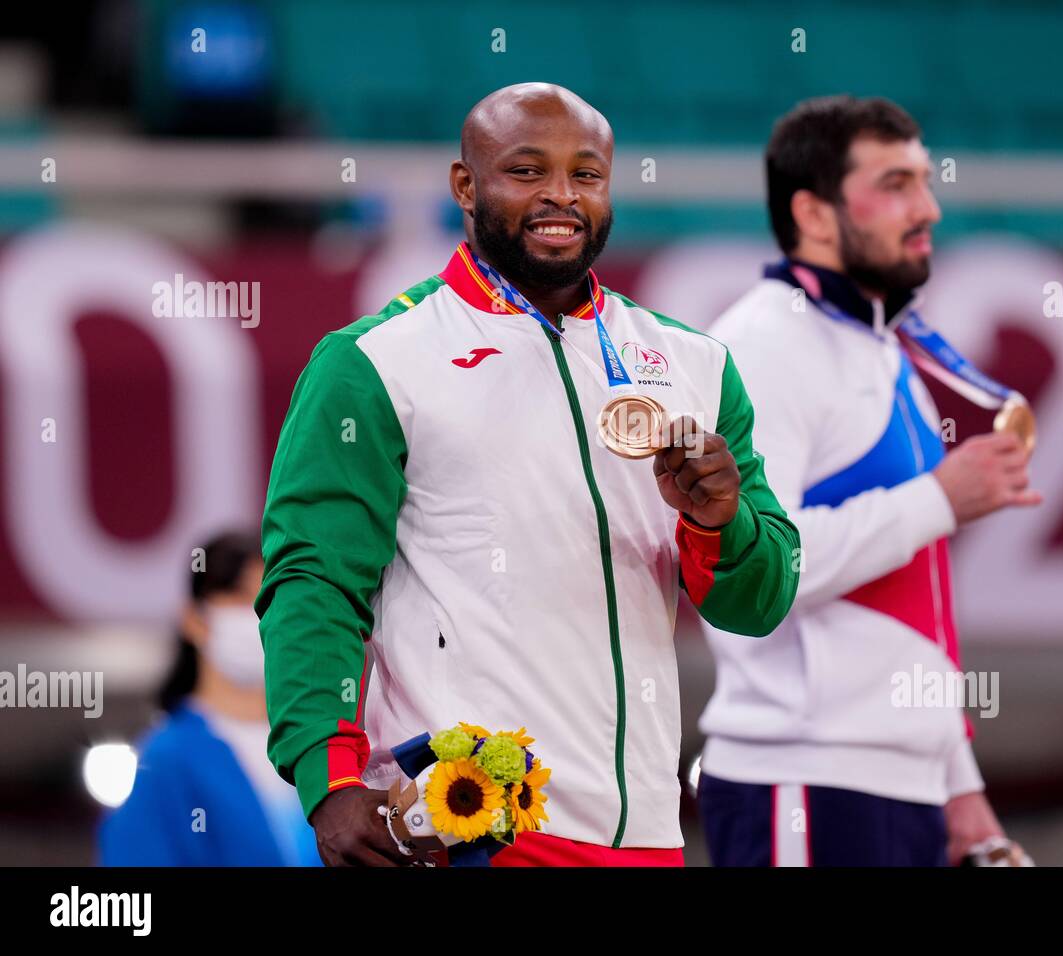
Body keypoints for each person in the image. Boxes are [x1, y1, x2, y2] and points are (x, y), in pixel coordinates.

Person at [256, 82, 800, 867]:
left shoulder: (694, 364)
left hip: (645, 836)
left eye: (586, 174)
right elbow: (314, 582)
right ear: (465, 186)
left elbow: (761, 603)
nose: (560, 196)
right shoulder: (374, 360)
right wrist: (330, 778)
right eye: (526, 170)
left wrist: (722, 523)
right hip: (469, 825)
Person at [697, 96, 1042, 866]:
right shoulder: (761, 344)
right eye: (896, 185)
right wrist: (940, 500)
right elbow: (750, 571)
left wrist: (960, 786)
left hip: (899, 785)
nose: (929, 207)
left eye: (924, 180)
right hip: (802, 781)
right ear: (814, 215)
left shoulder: (878, 345)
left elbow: (921, 607)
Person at [99, 531, 320, 866]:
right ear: (194, 619)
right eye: (237, 599)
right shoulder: (165, 759)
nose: (256, 615)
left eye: (267, 600)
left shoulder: (318, 745)